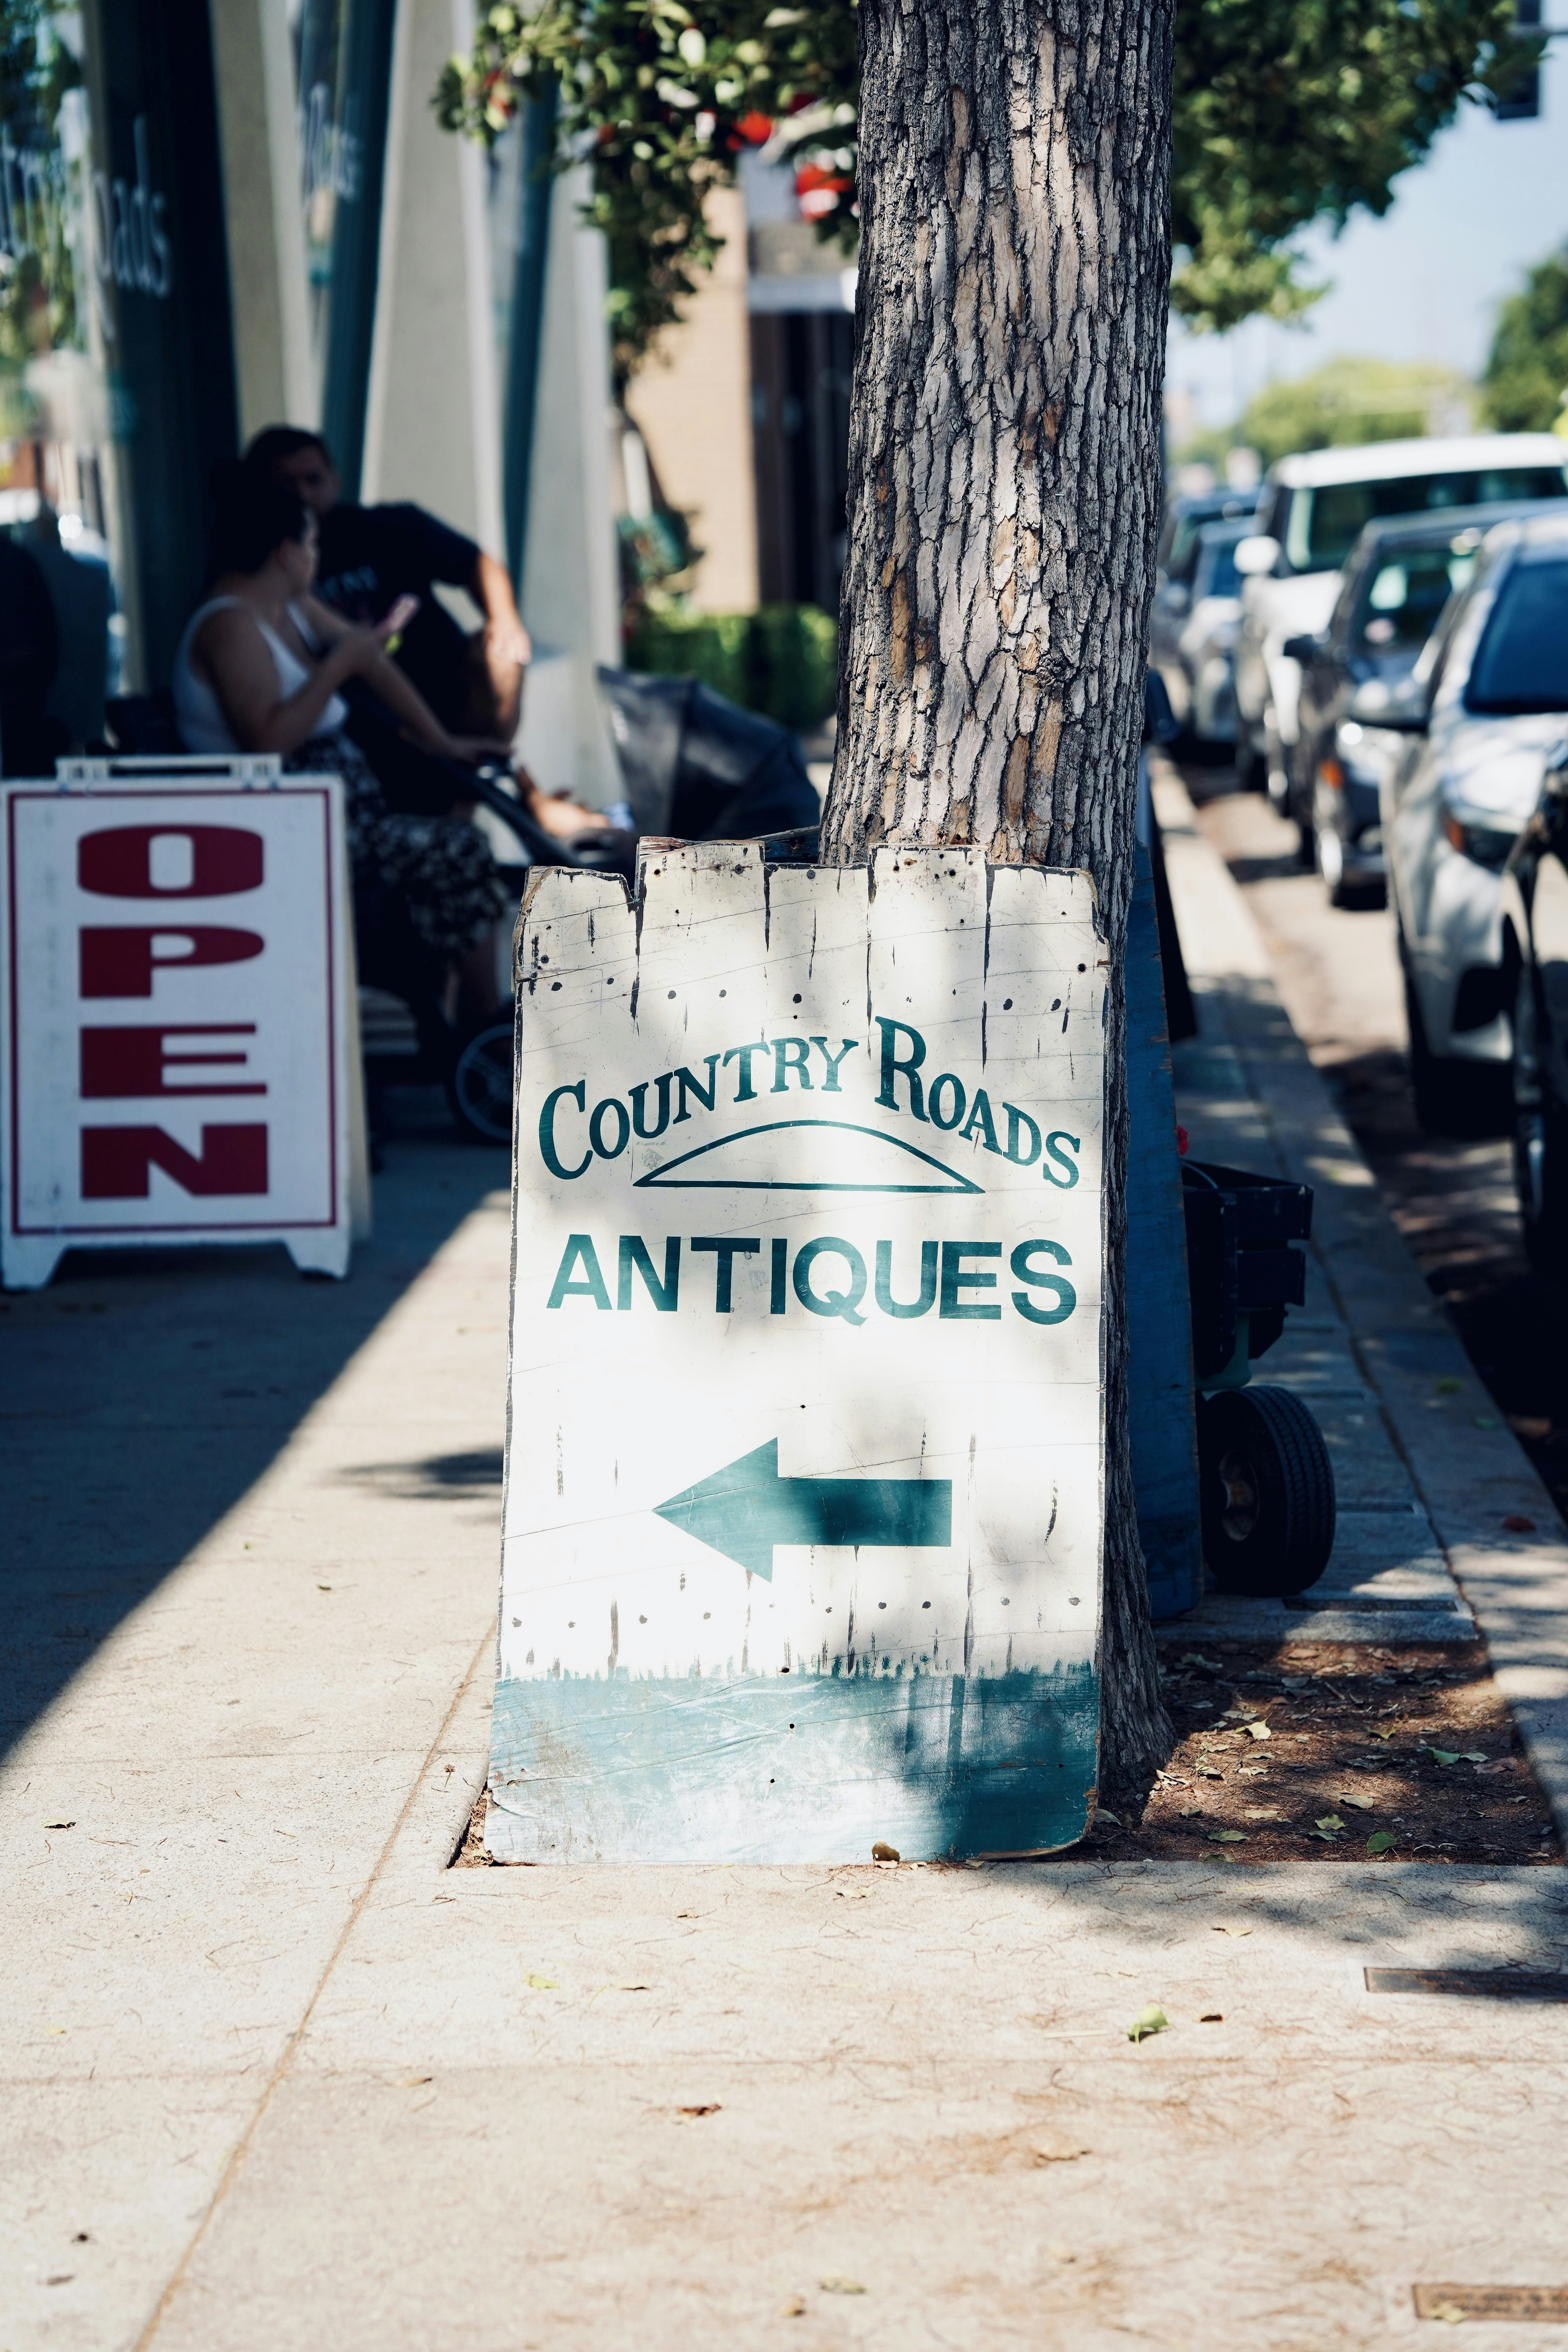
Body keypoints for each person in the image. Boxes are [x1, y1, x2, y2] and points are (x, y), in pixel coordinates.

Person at [172, 469, 595, 1021]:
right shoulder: (229, 627)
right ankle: (476, 1016)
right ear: (285, 553)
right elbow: (267, 742)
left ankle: (464, 1018)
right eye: (312, 543)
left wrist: (443, 741)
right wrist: (334, 669)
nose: (317, 556)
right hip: (291, 832)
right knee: (458, 849)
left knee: (456, 838)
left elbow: (369, 659)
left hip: (340, 815)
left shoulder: (290, 609)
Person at [243, 425, 531, 740]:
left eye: (314, 480)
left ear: (335, 481)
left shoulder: (389, 526)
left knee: (502, 652)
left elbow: (477, 563)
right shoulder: (261, 577)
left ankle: (492, 760)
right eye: (286, 485)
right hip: (360, 712)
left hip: (444, 681)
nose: (303, 495)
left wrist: (505, 622)